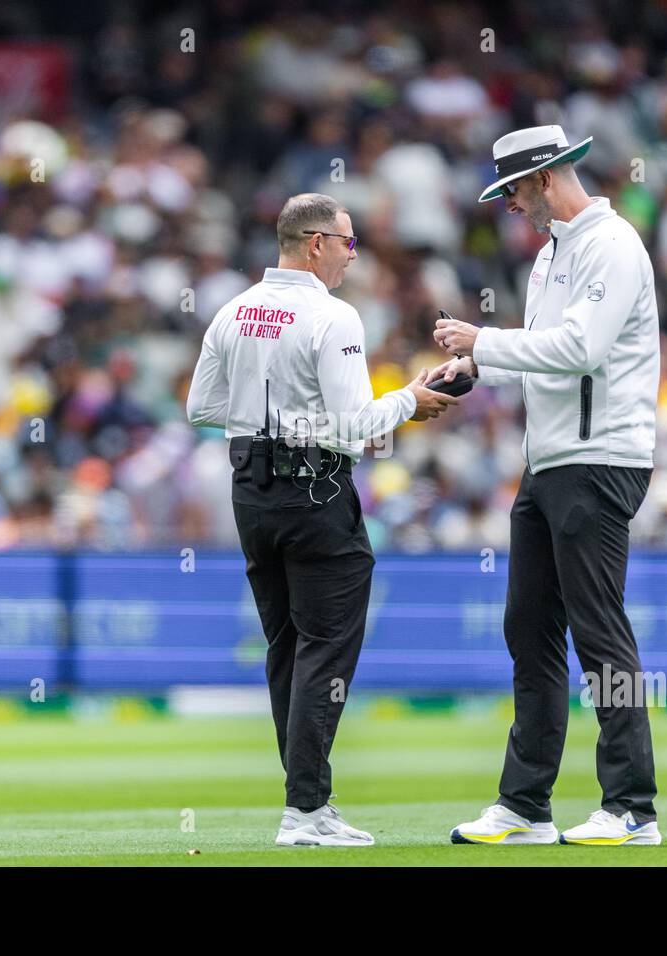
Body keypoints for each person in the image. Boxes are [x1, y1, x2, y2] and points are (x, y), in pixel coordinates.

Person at [187, 192, 458, 846]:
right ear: (316, 244)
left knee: (288, 648)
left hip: (251, 494)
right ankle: (305, 812)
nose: (351, 253)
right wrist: (409, 401)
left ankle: (305, 803)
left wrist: (270, 423)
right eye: (347, 241)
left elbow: (201, 407)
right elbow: (352, 426)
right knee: (326, 649)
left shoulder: (233, 310)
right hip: (315, 494)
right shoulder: (333, 317)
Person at [431, 126, 663, 846]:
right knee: (529, 630)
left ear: (548, 177)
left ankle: (632, 807)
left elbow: (582, 350)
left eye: (513, 191)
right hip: (552, 461)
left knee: (599, 632)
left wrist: (483, 342)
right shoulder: (555, 254)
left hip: (599, 459)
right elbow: (545, 355)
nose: (510, 206)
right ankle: (527, 805)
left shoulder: (613, 245)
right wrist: (476, 371)